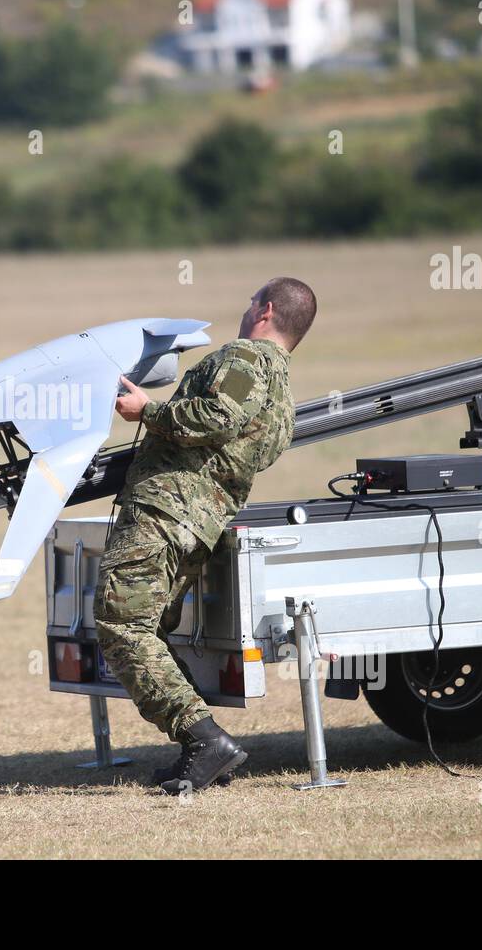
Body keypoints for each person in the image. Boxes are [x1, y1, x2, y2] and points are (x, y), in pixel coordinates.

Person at [92, 277, 317, 794]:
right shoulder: (282, 385)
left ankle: (205, 740)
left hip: (165, 510)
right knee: (150, 628)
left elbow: (217, 416)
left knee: (122, 626)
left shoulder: (245, 358)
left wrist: (145, 411)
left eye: (249, 302)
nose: (244, 311)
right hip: (196, 519)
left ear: (264, 310)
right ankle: (200, 746)